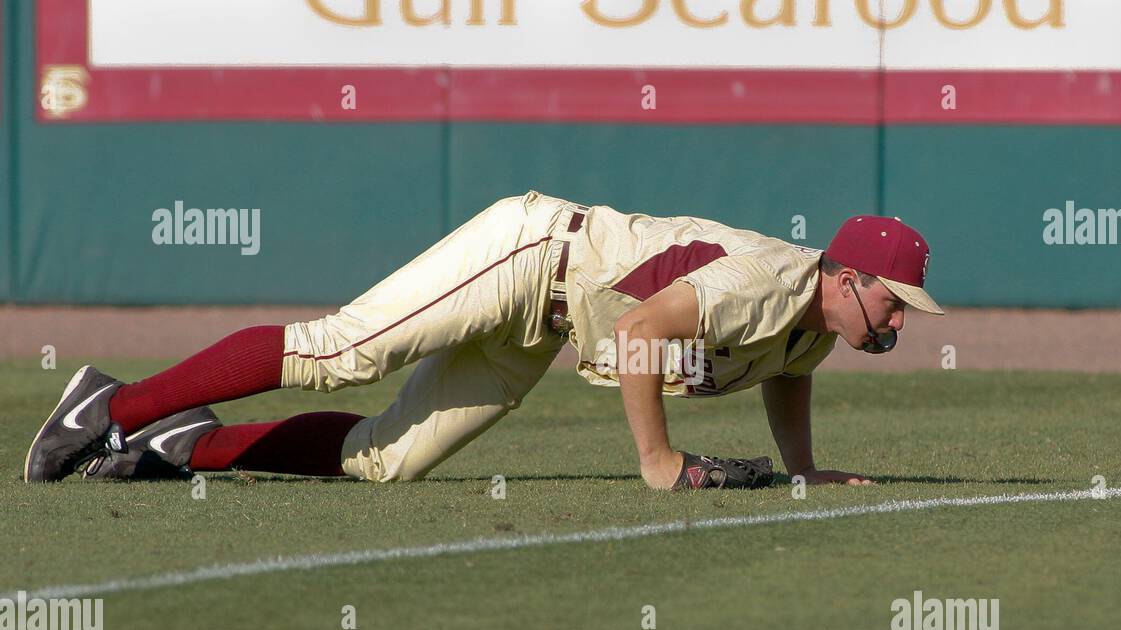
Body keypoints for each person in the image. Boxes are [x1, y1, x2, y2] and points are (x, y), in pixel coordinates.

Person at [24, 190, 942, 490]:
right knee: (341, 346)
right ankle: (110, 404)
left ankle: (185, 444)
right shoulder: (763, 283)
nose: (900, 320)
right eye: (894, 302)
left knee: (386, 460)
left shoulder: (816, 329)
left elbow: (787, 373)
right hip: (531, 253)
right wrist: (657, 458)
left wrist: (803, 467)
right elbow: (637, 332)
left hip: (541, 325)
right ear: (848, 277)